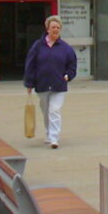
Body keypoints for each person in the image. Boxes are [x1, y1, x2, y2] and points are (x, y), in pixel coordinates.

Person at [24, 15, 77, 148]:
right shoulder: (37, 46)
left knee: (54, 110)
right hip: (41, 84)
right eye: (53, 27)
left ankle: (54, 138)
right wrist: (29, 83)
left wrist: (68, 76)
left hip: (58, 85)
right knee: (46, 110)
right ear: (47, 29)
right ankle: (48, 133)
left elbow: (72, 65)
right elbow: (30, 64)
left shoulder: (66, 48)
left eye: (58, 28)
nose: (56, 30)